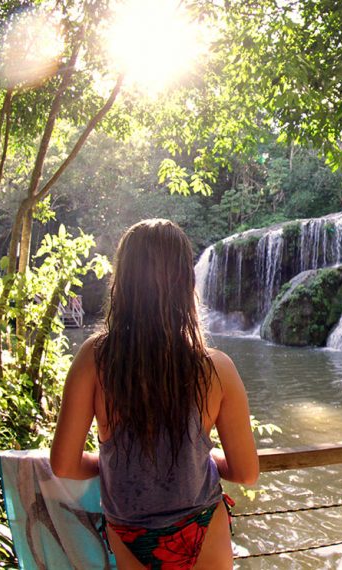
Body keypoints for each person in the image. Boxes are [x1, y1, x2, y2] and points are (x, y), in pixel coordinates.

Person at [50, 219, 259, 570]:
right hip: (203, 525)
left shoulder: (94, 359)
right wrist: (205, 461)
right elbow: (246, 472)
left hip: (129, 530)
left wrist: (114, 464)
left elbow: (64, 464)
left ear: (124, 282)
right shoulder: (216, 368)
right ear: (186, 283)